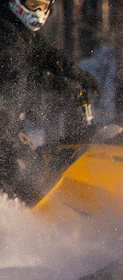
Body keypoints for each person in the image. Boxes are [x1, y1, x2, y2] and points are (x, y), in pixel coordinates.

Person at [0, 0, 100, 201]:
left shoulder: (23, 32)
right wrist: (57, 84)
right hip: (4, 126)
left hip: (8, 125)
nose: (38, 11)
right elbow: (13, 72)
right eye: (33, 3)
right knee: (23, 176)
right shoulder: (5, 31)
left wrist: (77, 75)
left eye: (43, 5)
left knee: (36, 172)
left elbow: (48, 55)